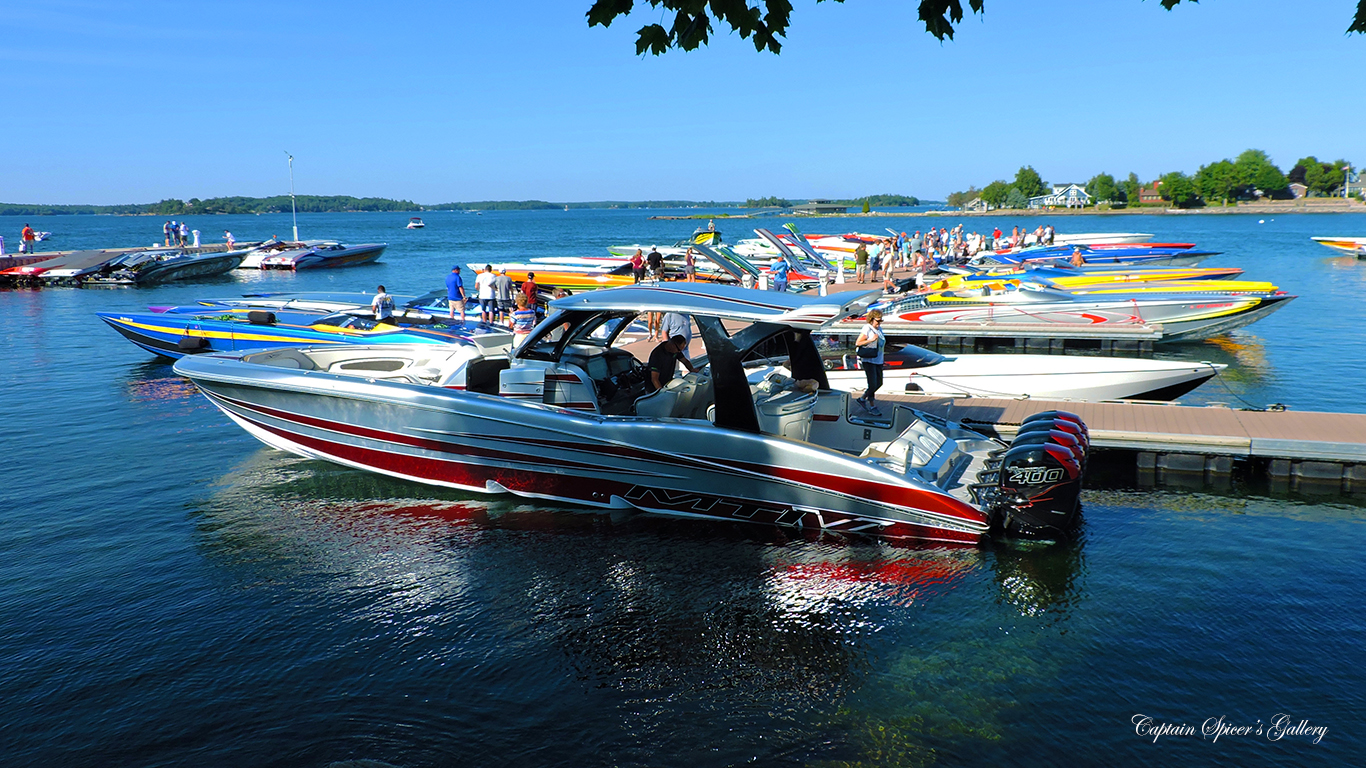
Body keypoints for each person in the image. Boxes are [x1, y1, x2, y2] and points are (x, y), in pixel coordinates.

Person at [854, 309, 886, 415]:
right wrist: (871, 340)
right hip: (869, 359)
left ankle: (862, 398)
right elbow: (858, 343)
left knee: (879, 383)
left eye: (881, 321)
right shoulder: (867, 328)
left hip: (878, 359)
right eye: (877, 321)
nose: (879, 323)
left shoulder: (879, 329)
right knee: (872, 384)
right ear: (871, 319)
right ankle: (872, 406)